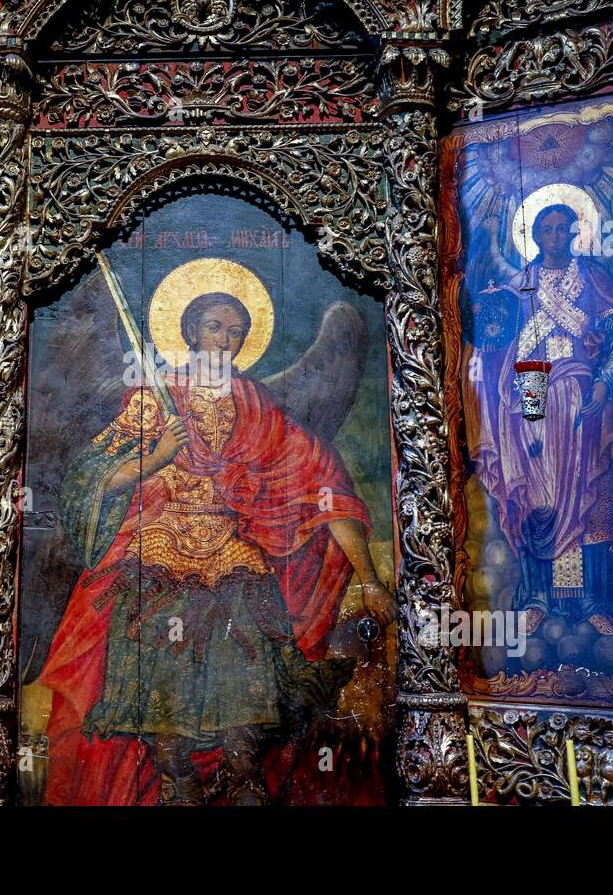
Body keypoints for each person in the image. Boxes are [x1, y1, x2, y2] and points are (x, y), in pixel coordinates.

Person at [38, 291, 394, 805]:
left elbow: (323, 482)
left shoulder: (254, 407)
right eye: (213, 327)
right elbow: (93, 482)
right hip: (157, 558)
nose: (224, 341)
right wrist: (157, 458)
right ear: (189, 331)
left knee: (247, 714)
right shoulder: (156, 397)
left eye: (234, 332)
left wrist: (367, 577)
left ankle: (243, 783)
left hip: (233, 560)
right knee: (167, 723)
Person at [472, 203, 613, 637]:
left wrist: (605, 383)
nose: (555, 236)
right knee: (540, 491)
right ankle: (538, 598)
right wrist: (490, 314)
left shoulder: (593, 279)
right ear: (535, 236)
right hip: (532, 387)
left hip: (583, 396)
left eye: (563, 229)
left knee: (587, 494)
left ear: (575, 233)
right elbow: (499, 342)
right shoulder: (520, 284)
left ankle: (594, 600)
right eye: (547, 229)